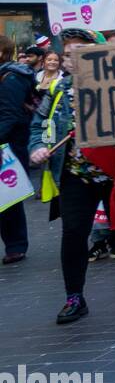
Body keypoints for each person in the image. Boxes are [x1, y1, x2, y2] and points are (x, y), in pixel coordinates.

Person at [28, 28, 111, 321]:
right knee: (74, 234)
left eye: (81, 49)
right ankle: (74, 297)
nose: (73, 56)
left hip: (112, 172)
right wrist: (37, 147)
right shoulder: (59, 90)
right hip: (75, 173)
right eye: (68, 51)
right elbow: (38, 125)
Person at [0, 35, 37, 265]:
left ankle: (16, 245)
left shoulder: (10, 78)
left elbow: (9, 115)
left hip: (8, 146)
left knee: (8, 198)